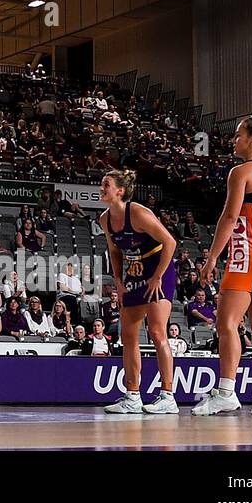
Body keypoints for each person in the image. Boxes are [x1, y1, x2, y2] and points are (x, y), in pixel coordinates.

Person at [195, 110, 252, 417]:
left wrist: (211, 258)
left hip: (247, 256)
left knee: (227, 324)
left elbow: (230, 218)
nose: (234, 140)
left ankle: (226, 392)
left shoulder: (241, 171)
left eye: (238, 135)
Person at [98, 168, 179, 415]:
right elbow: (114, 251)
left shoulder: (139, 213)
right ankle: (132, 396)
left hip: (158, 269)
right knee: (129, 335)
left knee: (156, 331)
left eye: (106, 184)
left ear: (120, 191)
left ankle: (168, 396)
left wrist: (156, 278)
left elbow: (171, 243)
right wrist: (119, 281)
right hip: (134, 270)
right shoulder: (104, 219)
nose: (102, 188)